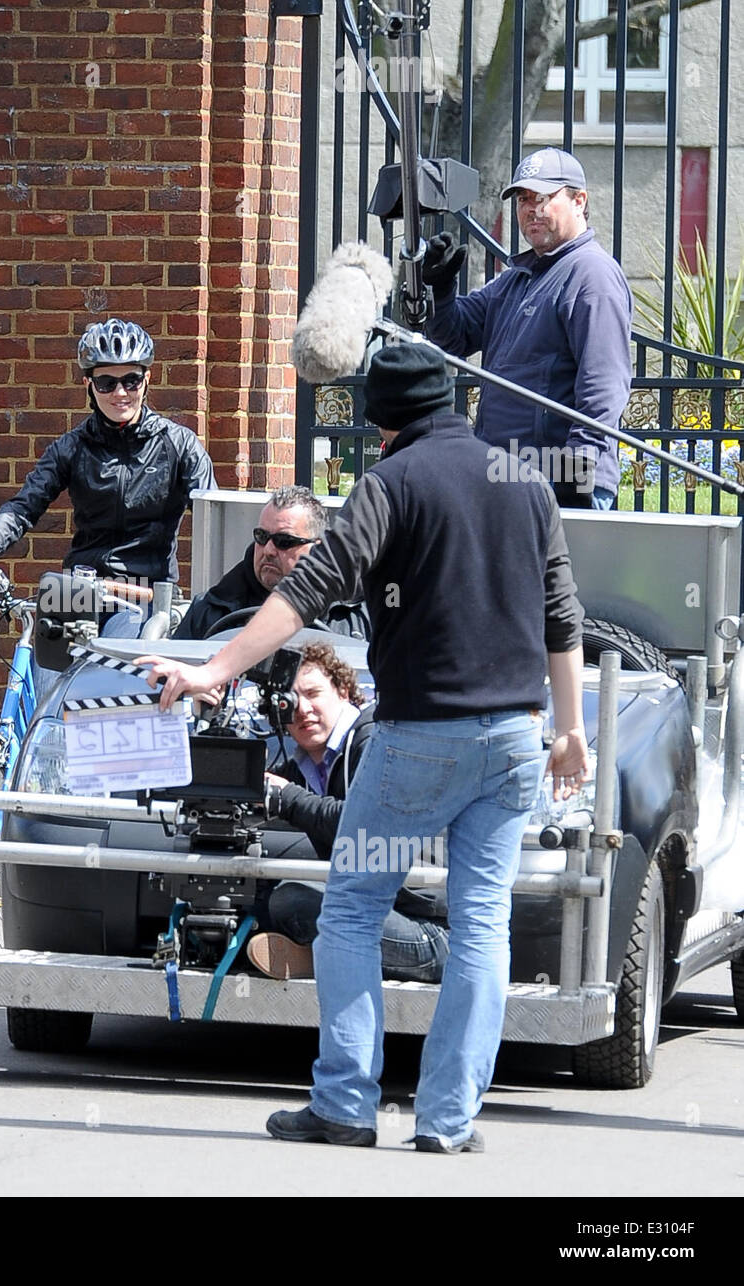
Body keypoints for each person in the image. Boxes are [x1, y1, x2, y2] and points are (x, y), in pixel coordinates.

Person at [141, 340, 588, 1155]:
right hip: (520, 739)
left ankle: (346, 1102)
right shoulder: (522, 478)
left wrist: (214, 665)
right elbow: (564, 613)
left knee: (349, 911)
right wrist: (572, 729)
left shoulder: (394, 483)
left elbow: (310, 588)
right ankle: (449, 1123)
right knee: (483, 924)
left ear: (384, 424)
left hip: (422, 738)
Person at [0, 318, 215, 632]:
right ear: (88, 385)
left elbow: (212, 519)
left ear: (147, 380)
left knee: (116, 666)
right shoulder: (72, 447)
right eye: (107, 382)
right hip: (80, 591)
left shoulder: (177, 445)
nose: (120, 393)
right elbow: (21, 509)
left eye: (130, 381)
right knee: (44, 670)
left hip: (145, 594)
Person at [423, 146, 632, 510]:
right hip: (503, 477)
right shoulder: (518, 277)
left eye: (543, 198)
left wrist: (577, 474)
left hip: (556, 485)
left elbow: (604, 385)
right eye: (523, 199)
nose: (531, 209)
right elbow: (453, 337)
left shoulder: (591, 274)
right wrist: (441, 292)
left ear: (579, 200)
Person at [248, 643, 449, 984]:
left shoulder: (377, 738)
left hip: (431, 933)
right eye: (291, 700)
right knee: (259, 894)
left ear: (343, 691)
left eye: (313, 694)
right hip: (377, 911)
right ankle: (323, 955)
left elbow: (366, 825)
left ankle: (322, 958)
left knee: (293, 898)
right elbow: (262, 794)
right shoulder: (303, 762)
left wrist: (289, 799)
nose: (303, 710)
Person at [174, 485, 368, 641]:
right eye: (262, 536)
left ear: (316, 549)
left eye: (284, 541)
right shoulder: (211, 610)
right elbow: (168, 681)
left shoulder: (355, 615)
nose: (268, 550)